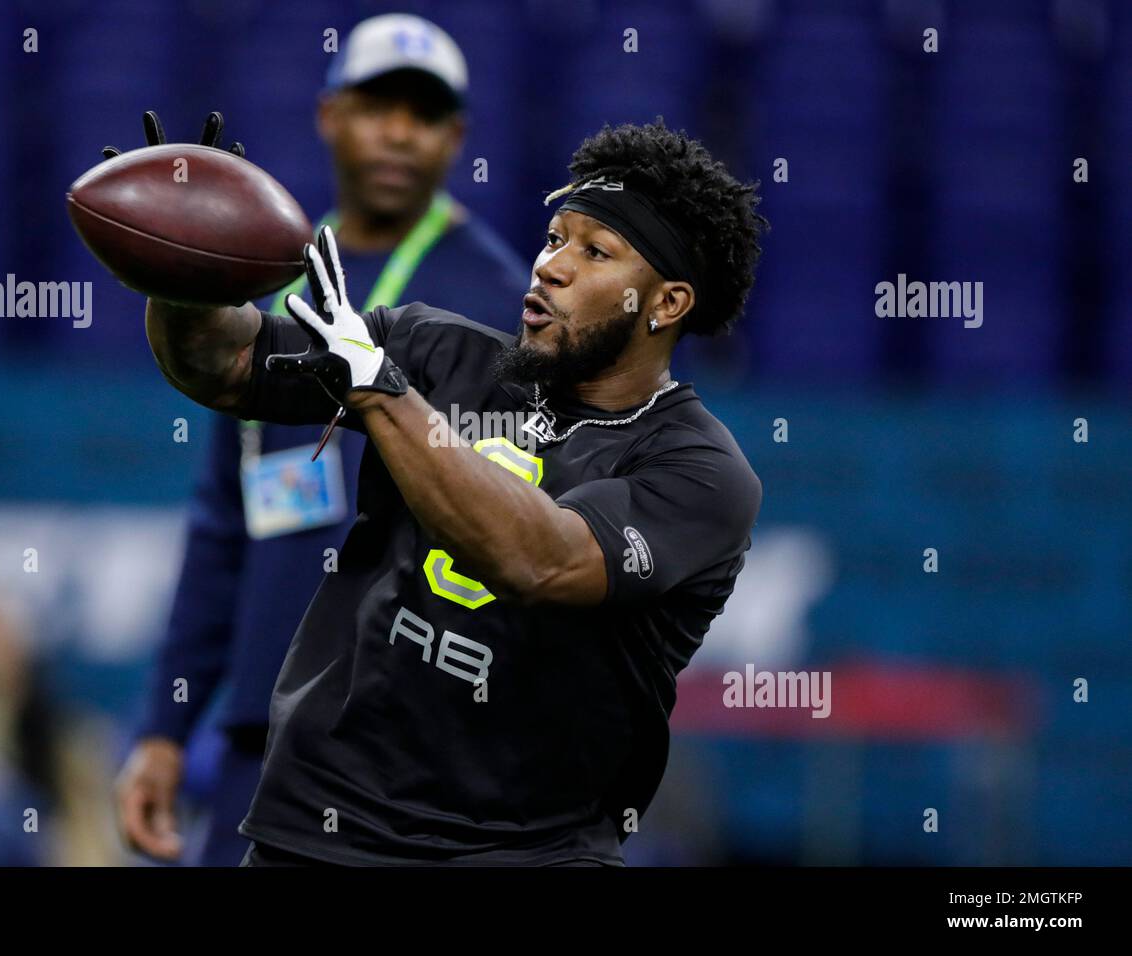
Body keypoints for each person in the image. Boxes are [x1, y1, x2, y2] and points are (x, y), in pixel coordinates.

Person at [140, 117, 767, 866]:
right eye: (554, 237)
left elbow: (538, 560)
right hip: (321, 825)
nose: (551, 267)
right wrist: (182, 272)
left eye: (594, 251)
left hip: (524, 850)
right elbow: (226, 362)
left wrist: (381, 392)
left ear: (665, 305)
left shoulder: (700, 473)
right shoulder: (434, 349)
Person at [113, 14, 529, 865]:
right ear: (329, 116)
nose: (399, 133)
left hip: (408, 749)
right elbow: (227, 526)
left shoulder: (498, 301)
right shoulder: (270, 276)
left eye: (423, 114)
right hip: (261, 733)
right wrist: (164, 728)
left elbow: (518, 539)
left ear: (456, 138)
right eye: (378, 106)